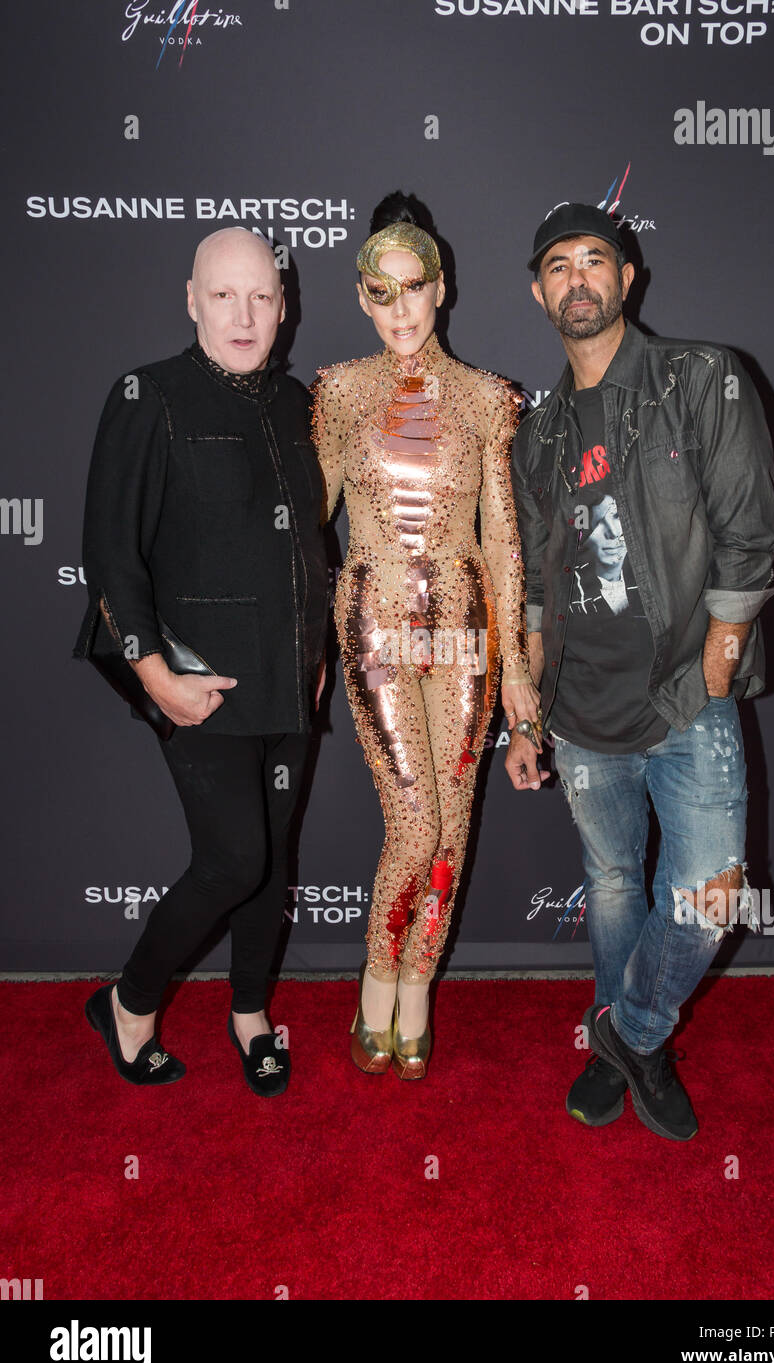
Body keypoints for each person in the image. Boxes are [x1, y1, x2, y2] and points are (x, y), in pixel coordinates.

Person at [506, 203, 774, 1141]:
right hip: (580, 712)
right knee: (616, 881)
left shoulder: (700, 378)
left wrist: (715, 673)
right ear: (538, 292)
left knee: (708, 895)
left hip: (684, 697)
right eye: (558, 265)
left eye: (596, 259)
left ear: (627, 278)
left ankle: (630, 1031)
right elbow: (535, 591)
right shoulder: (537, 436)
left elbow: (749, 537)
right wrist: (527, 716)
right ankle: (623, 1049)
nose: (577, 278)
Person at [74, 228, 328, 1097]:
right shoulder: (148, 394)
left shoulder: (296, 403)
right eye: (224, 295)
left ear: (284, 306)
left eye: (261, 296)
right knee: (232, 860)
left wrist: (317, 652)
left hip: (289, 679)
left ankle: (251, 1012)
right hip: (199, 685)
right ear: (192, 301)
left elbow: (307, 545)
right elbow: (110, 554)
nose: (244, 315)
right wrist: (155, 677)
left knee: (272, 859)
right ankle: (128, 1003)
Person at [312, 193, 538, 1079]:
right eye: (381, 291)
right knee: (414, 825)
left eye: (413, 287)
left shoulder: (488, 398)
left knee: (453, 828)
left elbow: (503, 540)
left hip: (465, 626)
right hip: (374, 620)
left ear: (441, 287)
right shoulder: (339, 390)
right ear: (361, 297)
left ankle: (416, 990)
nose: (399, 308)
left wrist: (515, 671)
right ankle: (378, 977)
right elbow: (306, 520)